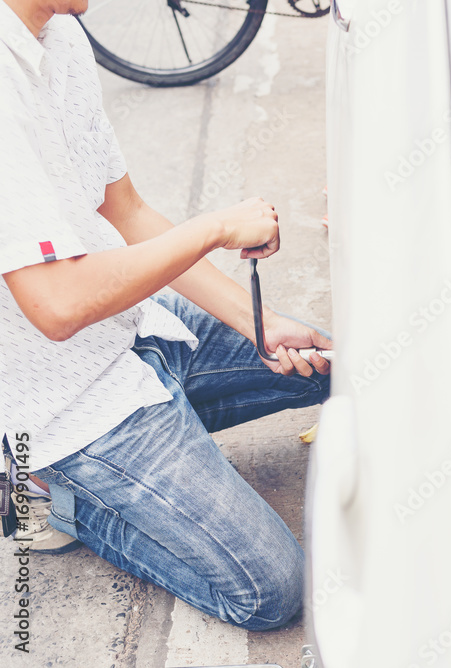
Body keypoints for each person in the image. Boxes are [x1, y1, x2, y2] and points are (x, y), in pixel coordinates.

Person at [0, 0, 332, 630]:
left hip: (139, 328)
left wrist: (255, 324)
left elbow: (124, 209)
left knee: (336, 362)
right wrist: (214, 229)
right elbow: (57, 305)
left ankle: (164, 433)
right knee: (272, 591)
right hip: (69, 409)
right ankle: (51, 491)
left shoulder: (61, 37)